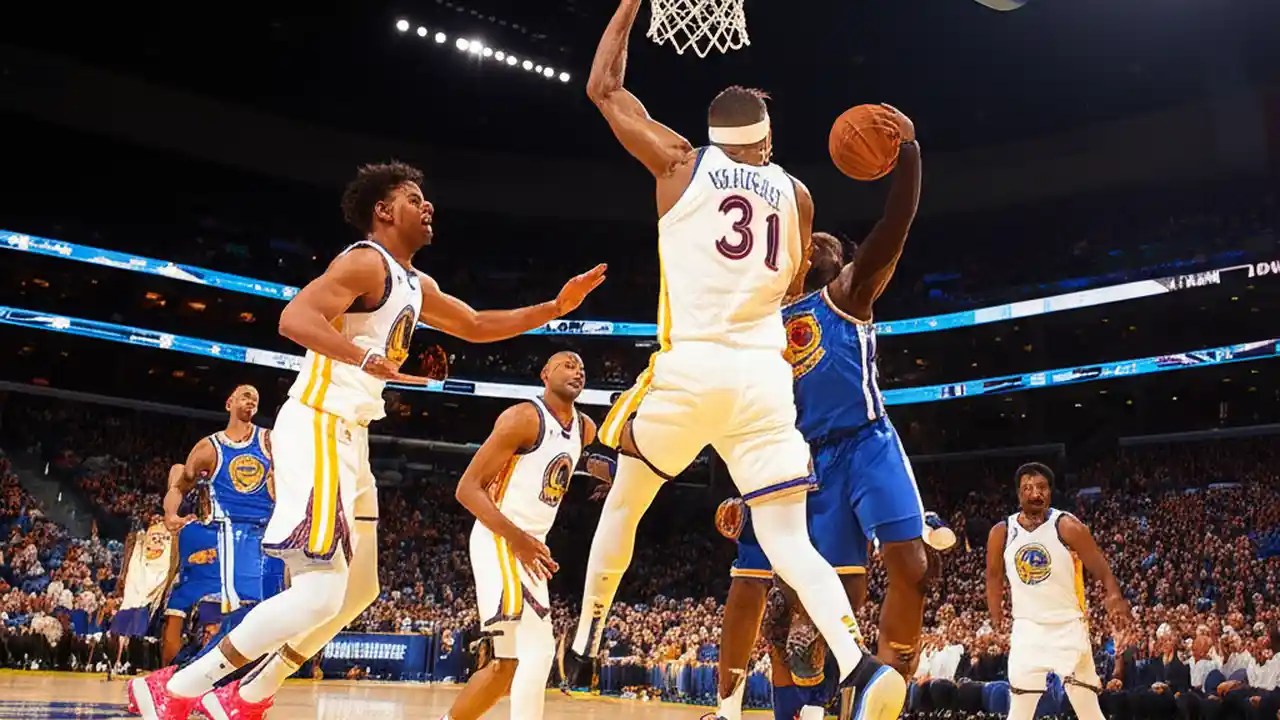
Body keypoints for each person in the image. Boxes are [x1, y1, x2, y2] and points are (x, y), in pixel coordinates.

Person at [130, 161, 606, 720]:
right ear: (383, 211)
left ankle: (247, 696)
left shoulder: (413, 282)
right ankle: (180, 689)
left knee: (360, 591)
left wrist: (553, 309)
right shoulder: (364, 261)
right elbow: (294, 317)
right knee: (321, 592)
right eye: (413, 198)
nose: (428, 206)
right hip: (319, 422)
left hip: (352, 437)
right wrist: (366, 357)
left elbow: (475, 324)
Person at [562, 2, 905, 718]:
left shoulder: (680, 163)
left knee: (625, 500)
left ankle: (589, 636)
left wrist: (629, 8)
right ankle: (858, 663)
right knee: (787, 539)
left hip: (691, 370)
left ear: (713, 135)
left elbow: (603, 88)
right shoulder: (799, 194)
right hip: (762, 384)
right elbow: (787, 285)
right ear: (767, 138)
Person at [703, 113, 926, 720]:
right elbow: (737, 410)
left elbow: (896, 222)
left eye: (831, 240)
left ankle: (887, 684)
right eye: (811, 238)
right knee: (817, 599)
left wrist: (907, 152)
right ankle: (807, 703)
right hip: (800, 461)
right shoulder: (761, 319)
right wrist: (732, 488)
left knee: (912, 566)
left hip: (866, 443)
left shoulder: (849, 294)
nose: (820, 239)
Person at [442, 351, 597, 720]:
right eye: (568, 365)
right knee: (534, 651)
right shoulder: (523, 418)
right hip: (501, 537)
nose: (578, 371)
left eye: (582, 368)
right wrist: (517, 539)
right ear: (545, 373)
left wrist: (611, 476)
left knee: (505, 666)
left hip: (531, 547)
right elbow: (467, 489)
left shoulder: (586, 428)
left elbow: (576, 460)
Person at [985, 462, 1132, 720]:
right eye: (1027, 488)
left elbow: (1100, 567)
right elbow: (994, 576)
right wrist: (995, 613)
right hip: (1027, 627)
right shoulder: (1002, 532)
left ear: (1050, 492)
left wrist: (1114, 596)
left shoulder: (1066, 526)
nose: (1035, 493)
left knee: (1087, 706)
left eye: (1041, 487)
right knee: (1019, 709)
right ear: (1019, 494)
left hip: (1067, 625)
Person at [159, 487, 220, 666]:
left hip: (214, 588)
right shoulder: (185, 526)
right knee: (174, 620)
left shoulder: (230, 527)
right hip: (195, 585)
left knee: (176, 617)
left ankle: (170, 673)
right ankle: (172, 672)